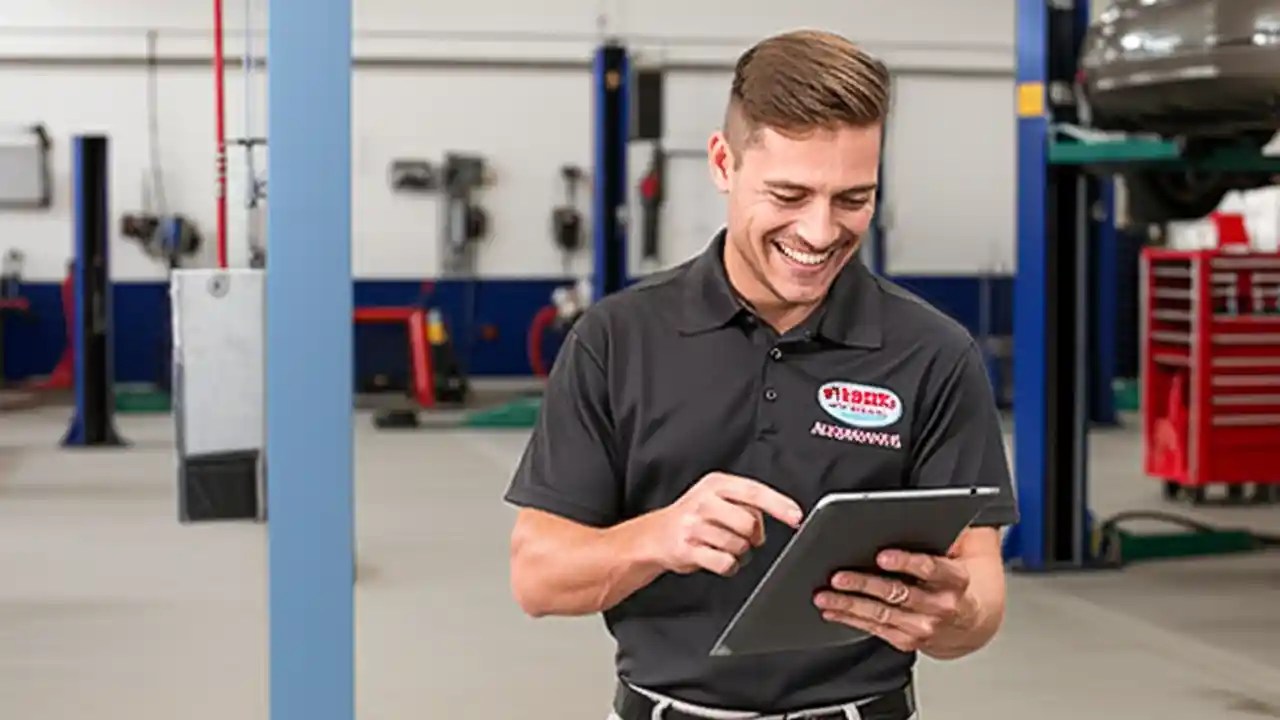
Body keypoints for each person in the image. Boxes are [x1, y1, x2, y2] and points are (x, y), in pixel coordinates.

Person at [503, 28, 1018, 720]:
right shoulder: (617, 340)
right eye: (789, 194)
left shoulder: (934, 353)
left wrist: (945, 615)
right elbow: (537, 576)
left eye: (852, 199)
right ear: (724, 163)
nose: (819, 231)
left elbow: (980, 594)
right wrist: (658, 536)